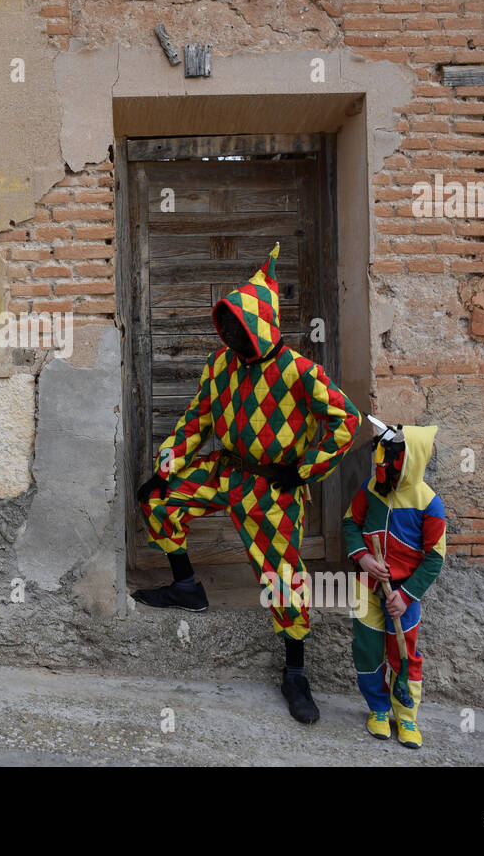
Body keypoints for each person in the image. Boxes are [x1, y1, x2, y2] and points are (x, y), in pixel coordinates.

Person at [135, 243, 360, 724]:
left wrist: (302, 471)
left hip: (272, 490)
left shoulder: (301, 371)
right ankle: (186, 587)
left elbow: (347, 420)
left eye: (237, 324)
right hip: (225, 469)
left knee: (282, 579)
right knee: (156, 499)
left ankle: (296, 673)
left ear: (259, 325)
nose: (228, 332)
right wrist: (166, 466)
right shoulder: (220, 366)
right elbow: (196, 421)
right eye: (226, 324)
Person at [344, 418, 446, 749]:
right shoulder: (371, 489)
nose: (382, 465)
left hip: (404, 596)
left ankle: (406, 716)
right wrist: (362, 558)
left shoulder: (429, 503)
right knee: (367, 651)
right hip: (367, 589)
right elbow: (350, 523)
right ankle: (377, 709)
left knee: (403, 655)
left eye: (389, 458)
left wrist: (407, 595)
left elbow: (435, 558)